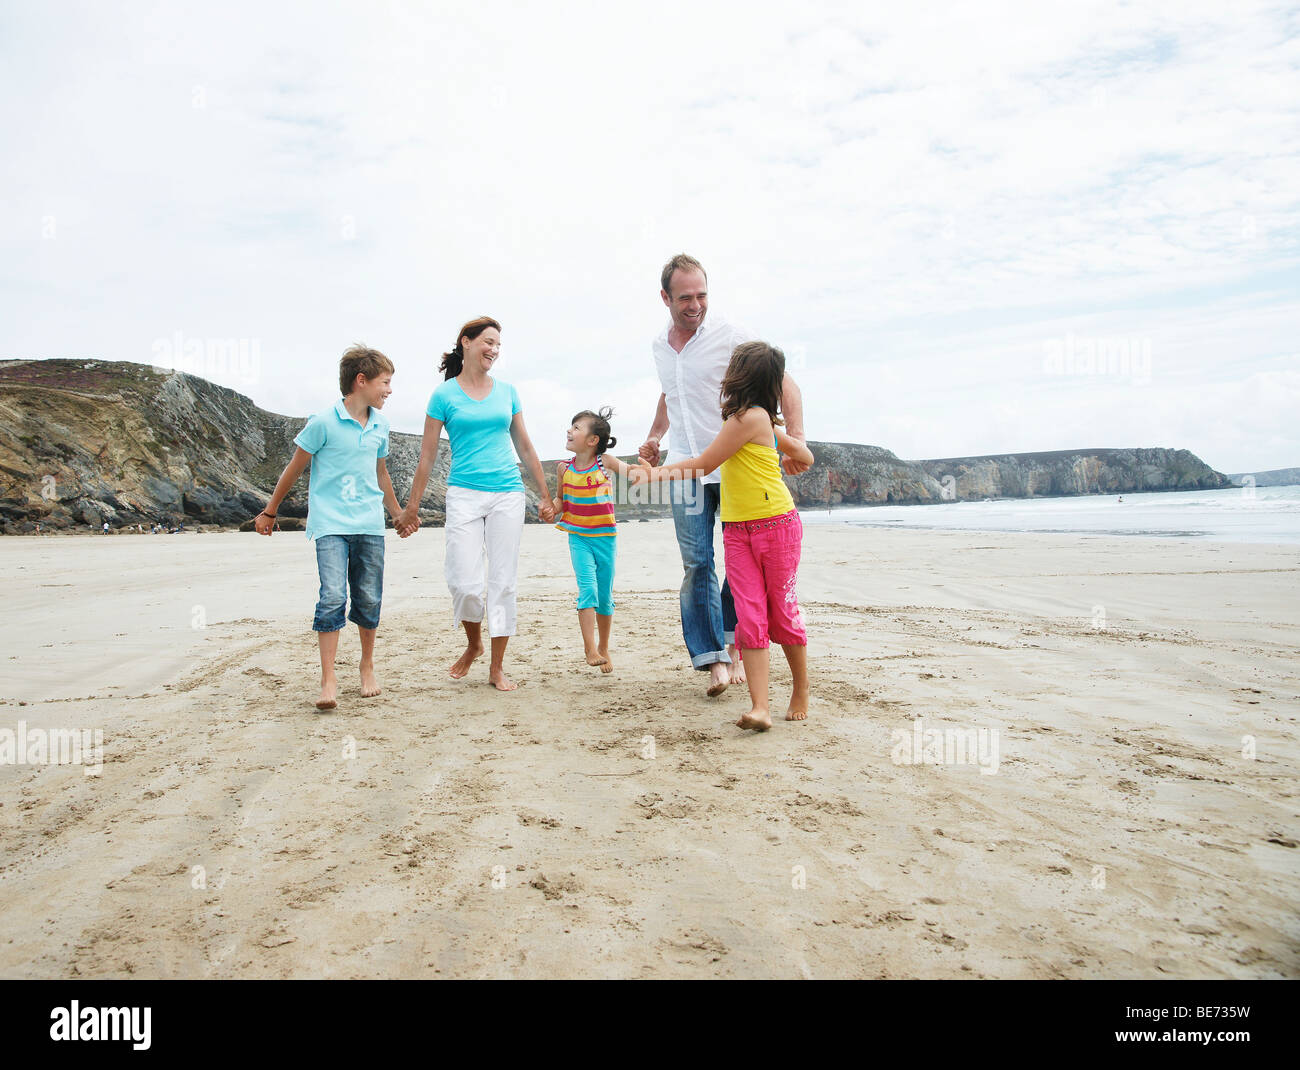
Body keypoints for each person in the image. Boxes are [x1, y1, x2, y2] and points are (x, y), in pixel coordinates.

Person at [640, 253, 810, 697]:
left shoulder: (732, 334)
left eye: (702, 295)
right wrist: (656, 436)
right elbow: (670, 394)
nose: (695, 305)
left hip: (732, 469)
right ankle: (712, 657)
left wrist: (794, 439)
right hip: (686, 469)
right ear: (665, 297)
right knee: (698, 561)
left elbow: (785, 382)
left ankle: (735, 642)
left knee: (741, 564)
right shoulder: (660, 346)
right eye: (685, 298)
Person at [254, 344, 413, 710]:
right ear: (361, 381)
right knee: (332, 597)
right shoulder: (323, 422)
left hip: (370, 525)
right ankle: (328, 679)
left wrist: (398, 514)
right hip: (330, 525)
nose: (389, 390)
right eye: (385, 382)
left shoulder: (381, 425)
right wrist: (270, 512)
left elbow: (381, 473)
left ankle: (366, 665)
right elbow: (294, 468)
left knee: (369, 597)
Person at [399, 317, 554, 692]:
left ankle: (497, 668)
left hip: (507, 493)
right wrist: (411, 508)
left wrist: (546, 496)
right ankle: (474, 643)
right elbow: (427, 456)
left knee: (503, 582)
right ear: (466, 343)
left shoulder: (508, 392)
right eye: (488, 342)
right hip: (463, 494)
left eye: (498, 344)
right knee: (464, 582)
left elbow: (526, 447)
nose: (494, 350)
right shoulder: (444, 396)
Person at [549, 407, 645, 673]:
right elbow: (560, 500)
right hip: (578, 538)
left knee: (604, 597)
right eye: (571, 426)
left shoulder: (605, 462)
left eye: (577, 428)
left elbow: (633, 473)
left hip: (605, 539)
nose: (570, 430)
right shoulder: (563, 468)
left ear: (592, 441)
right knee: (588, 590)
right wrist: (550, 508)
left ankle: (603, 646)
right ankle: (589, 648)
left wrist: (645, 469)